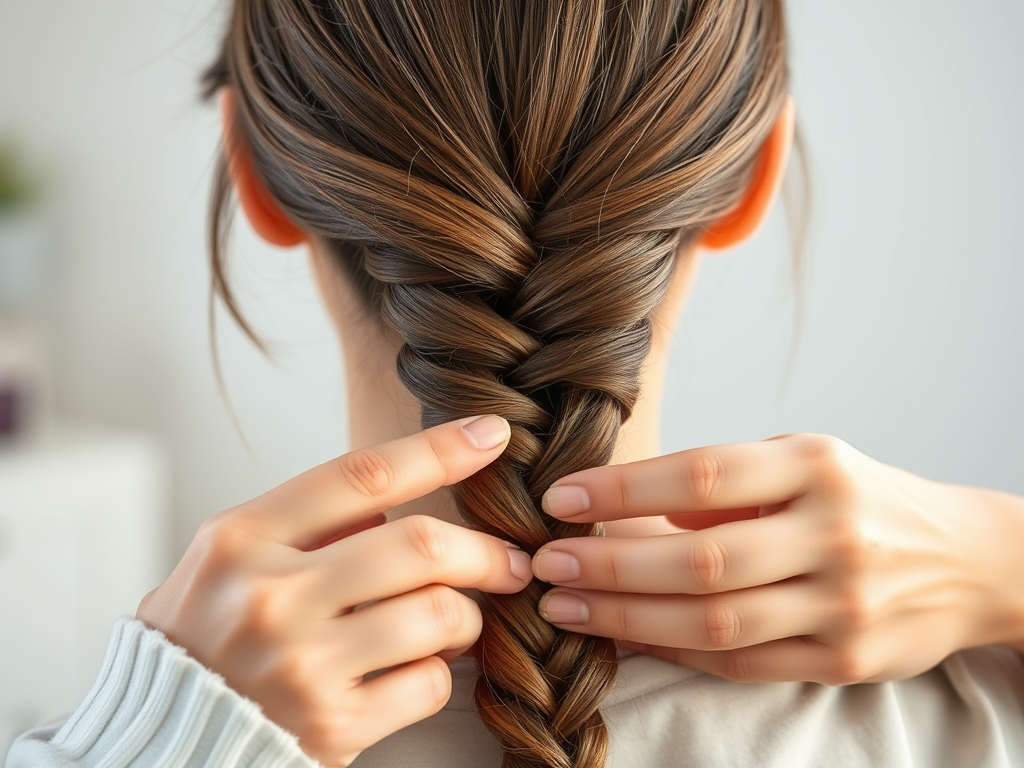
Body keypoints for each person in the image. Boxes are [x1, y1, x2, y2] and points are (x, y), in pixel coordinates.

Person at [8, 1, 1024, 766]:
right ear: (754, 175)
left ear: (254, 173)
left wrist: (150, 742)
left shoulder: (127, 746)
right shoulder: (972, 714)